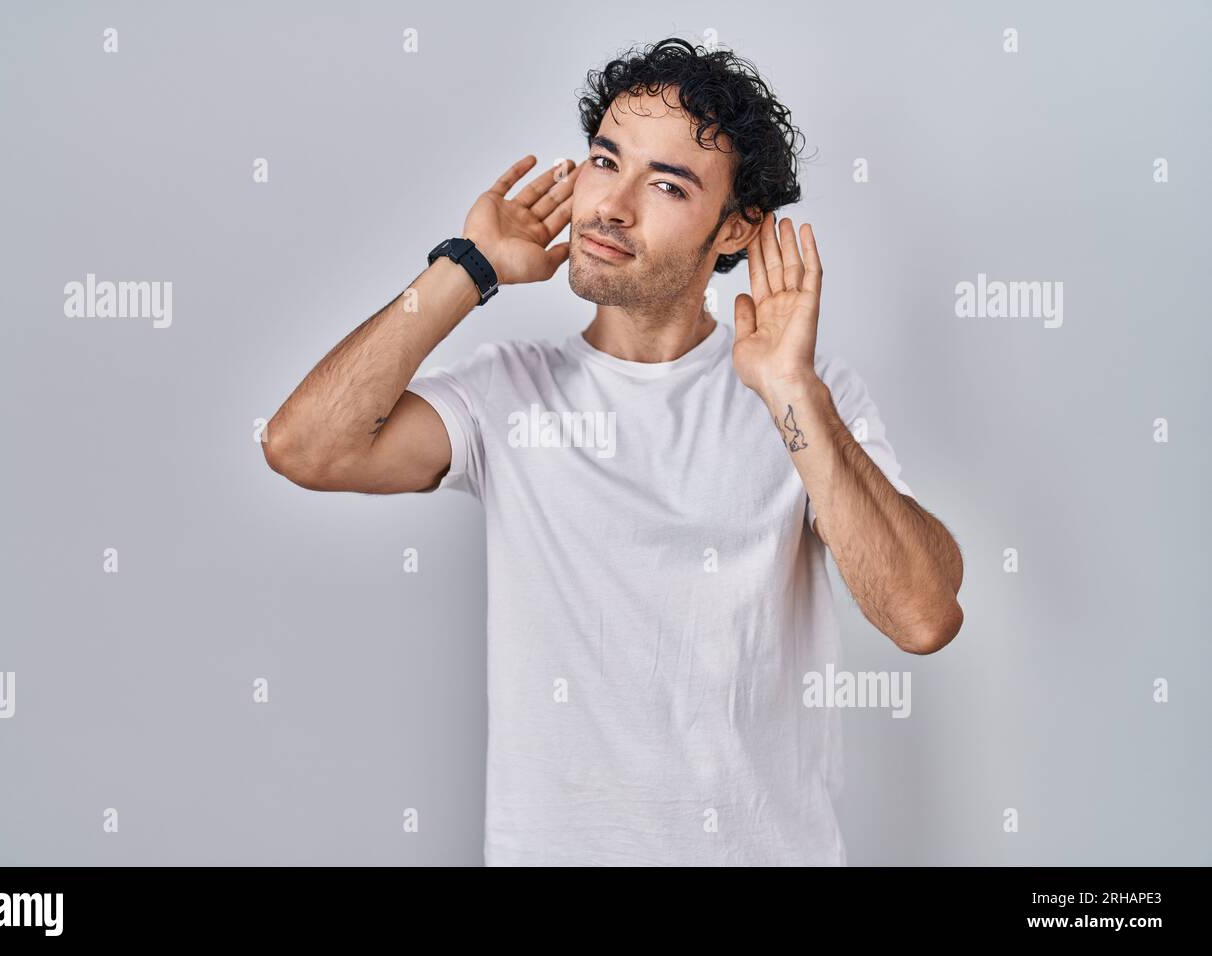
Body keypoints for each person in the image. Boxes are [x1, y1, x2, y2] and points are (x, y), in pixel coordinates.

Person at [262, 37, 964, 866]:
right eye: (606, 161)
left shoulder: (808, 400)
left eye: (667, 184)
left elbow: (922, 617)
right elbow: (303, 447)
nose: (613, 206)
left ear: (735, 226)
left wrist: (789, 392)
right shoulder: (508, 394)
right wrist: (469, 265)